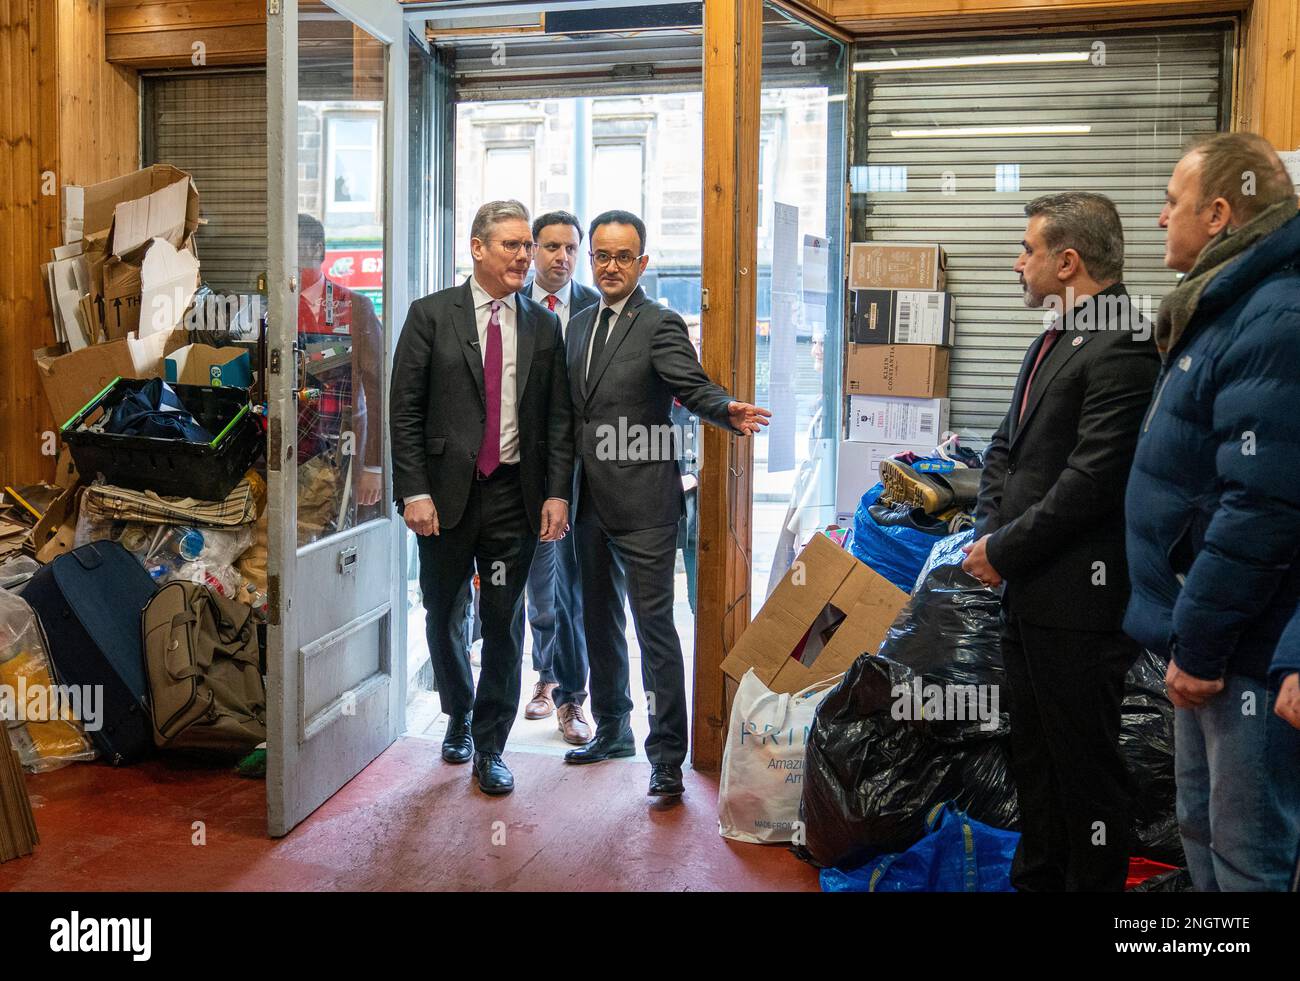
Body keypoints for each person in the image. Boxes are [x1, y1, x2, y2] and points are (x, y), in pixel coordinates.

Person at [963, 192, 1160, 891]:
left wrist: (1004, 549)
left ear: (1068, 260)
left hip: (1080, 600)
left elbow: (1091, 481)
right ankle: (1038, 878)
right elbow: (1002, 447)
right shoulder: (1054, 336)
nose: (1019, 264)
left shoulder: (1124, 343)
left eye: (1028, 251)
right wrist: (987, 534)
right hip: (1027, 592)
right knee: (1034, 757)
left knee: (1085, 770)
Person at [1122, 132, 1300, 891]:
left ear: (1221, 212)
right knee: (1201, 834)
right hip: (1208, 634)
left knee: (1244, 855)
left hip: (1241, 653)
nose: (1162, 219)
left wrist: (1197, 645)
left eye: (1173, 202)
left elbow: (1261, 504)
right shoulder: (1227, 302)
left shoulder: (1275, 315)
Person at [563, 209, 770, 797]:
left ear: (642, 263)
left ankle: (667, 758)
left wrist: (724, 409)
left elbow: (691, 383)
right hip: (588, 505)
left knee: (654, 630)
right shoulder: (577, 325)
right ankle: (612, 728)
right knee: (598, 623)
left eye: (622, 257)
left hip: (646, 505)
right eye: (601, 255)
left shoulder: (659, 322)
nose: (610, 266)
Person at [390, 199, 574, 796]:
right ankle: (459, 713)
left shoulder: (543, 325)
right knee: (444, 612)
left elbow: (557, 420)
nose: (526, 256)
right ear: (477, 248)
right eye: (512, 246)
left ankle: (492, 745)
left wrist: (556, 494)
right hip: (443, 499)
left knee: (503, 620)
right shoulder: (429, 316)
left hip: (511, 498)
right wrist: (413, 489)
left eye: (529, 246)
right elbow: (405, 411)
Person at [519, 211, 599, 743]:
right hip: (528, 471)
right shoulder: (512, 302)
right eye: (551, 246)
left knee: (576, 590)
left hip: (586, 475)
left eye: (571, 248)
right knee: (540, 588)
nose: (561, 257)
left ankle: (574, 697)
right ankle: (544, 678)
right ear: (532, 249)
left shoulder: (596, 306)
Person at [296, 214, 384, 524]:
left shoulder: (355, 306)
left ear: (317, 250)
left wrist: (373, 466)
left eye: (298, 249)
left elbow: (377, 391)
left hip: (342, 446)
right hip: (292, 448)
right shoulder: (276, 308)